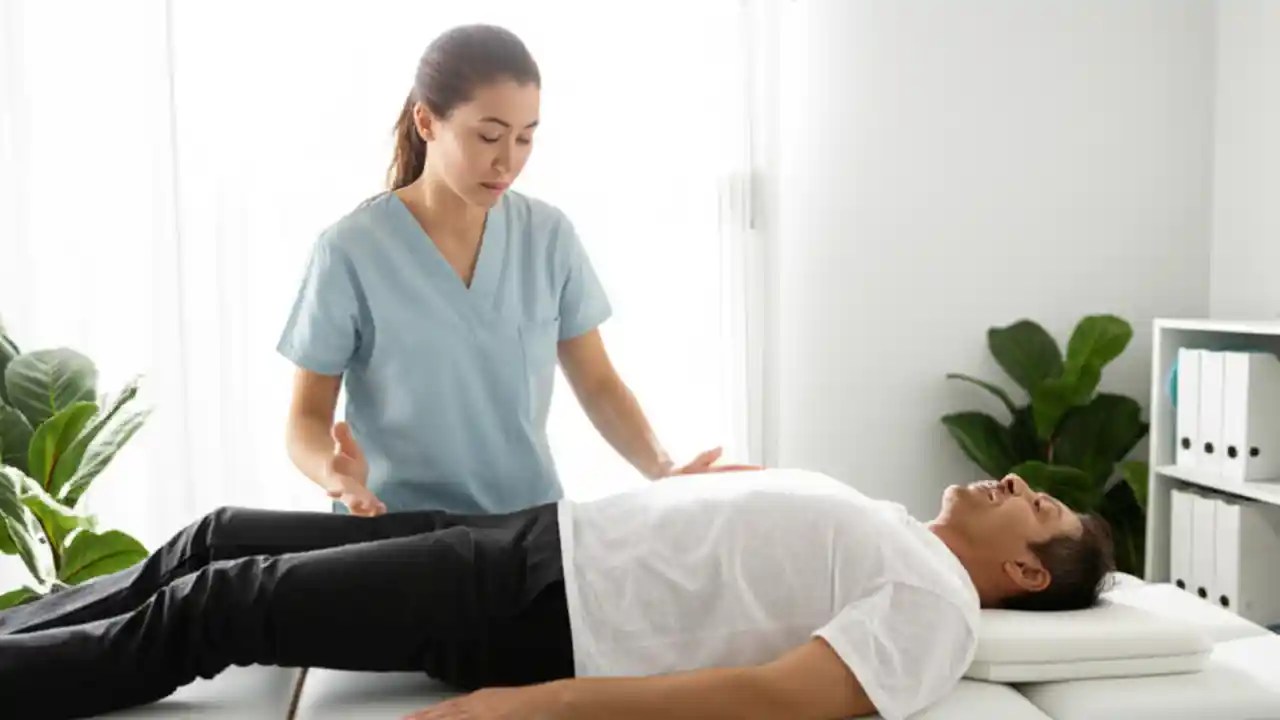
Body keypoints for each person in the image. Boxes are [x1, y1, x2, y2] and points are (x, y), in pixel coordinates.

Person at [0, 471, 1113, 719]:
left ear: (1023, 573)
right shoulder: (887, 524)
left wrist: (530, 708)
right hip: (537, 537)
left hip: (542, 606)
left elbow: (779, 698)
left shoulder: (937, 606)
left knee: (225, 602)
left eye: (1041, 511)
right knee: (216, 532)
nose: (1019, 485)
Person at [278, 24, 746, 519]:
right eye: (488, 136)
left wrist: (663, 469)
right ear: (426, 121)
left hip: (530, 532)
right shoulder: (351, 250)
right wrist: (332, 472)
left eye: (525, 138)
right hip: (397, 538)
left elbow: (598, 383)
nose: (508, 161)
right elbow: (307, 417)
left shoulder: (547, 236)